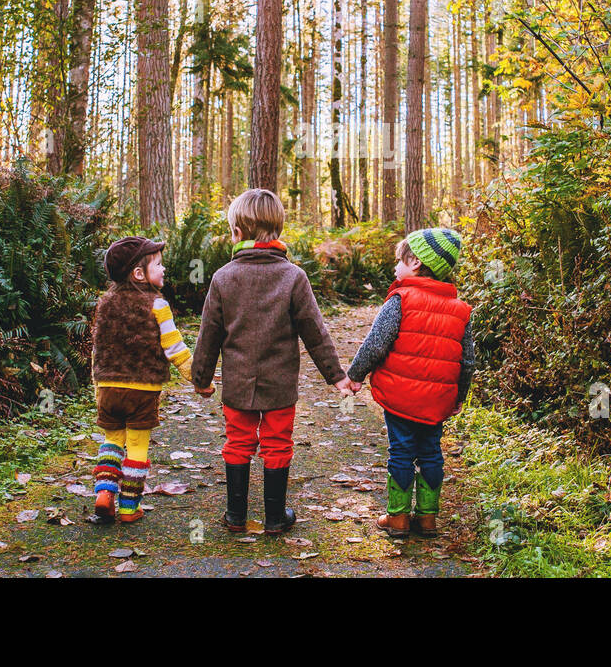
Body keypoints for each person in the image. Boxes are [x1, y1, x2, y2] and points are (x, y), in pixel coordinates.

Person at [192, 188, 353, 534]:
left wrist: (201, 377)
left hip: (237, 385)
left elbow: (209, 334)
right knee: (278, 444)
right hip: (280, 387)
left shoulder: (223, 278)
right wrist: (336, 376)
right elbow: (315, 332)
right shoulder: (293, 276)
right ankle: (275, 518)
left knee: (238, 442)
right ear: (278, 232)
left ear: (237, 233)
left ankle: (236, 516)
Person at [346, 228, 474, 538]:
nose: (395, 267)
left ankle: (398, 518)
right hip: (437, 400)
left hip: (400, 397)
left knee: (401, 452)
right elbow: (467, 362)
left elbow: (376, 343)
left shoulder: (400, 299)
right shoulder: (461, 310)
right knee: (431, 451)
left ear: (414, 262)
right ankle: (427, 518)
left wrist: (354, 375)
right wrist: (459, 396)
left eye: (399, 261)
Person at [89, 236, 207, 523]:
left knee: (112, 439)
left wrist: (97, 385)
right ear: (138, 274)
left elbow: (96, 349)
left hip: (107, 388)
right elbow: (175, 348)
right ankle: (129, 507)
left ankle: (104, 493)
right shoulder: (157, 305)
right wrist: (198, 379)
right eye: (158, 264)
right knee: (138, 446)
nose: (164, 269)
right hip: (142, 390)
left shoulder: (104, 304)